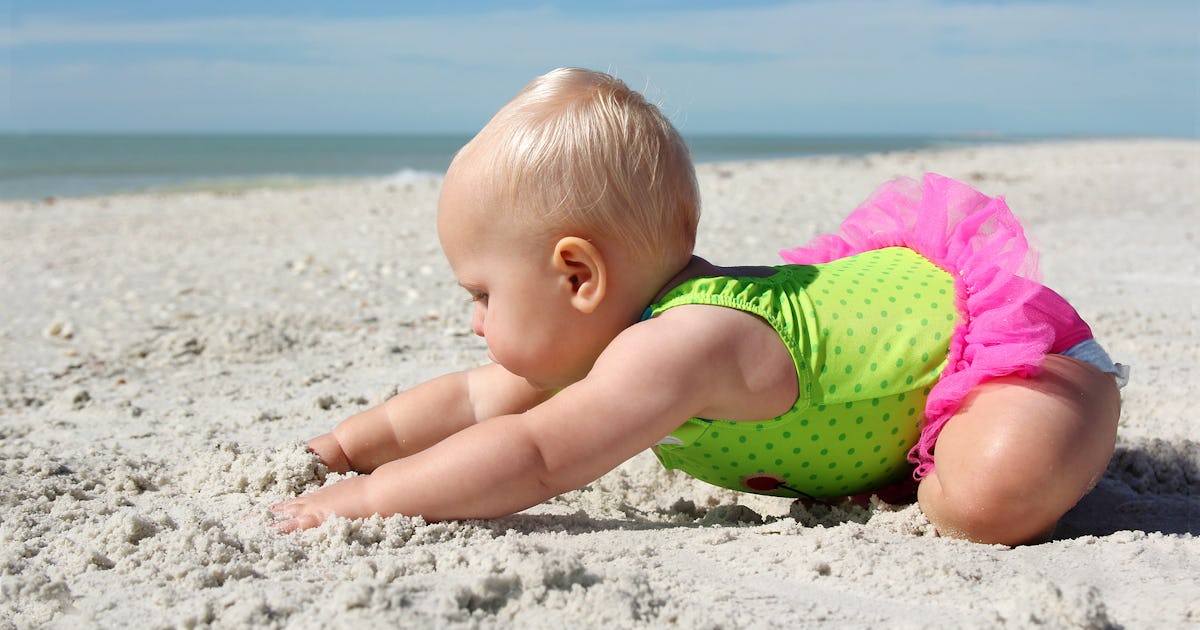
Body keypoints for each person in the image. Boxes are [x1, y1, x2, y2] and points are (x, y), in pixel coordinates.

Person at [270, 68, 1126, 545]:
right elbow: (469, 400)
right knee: (955, 492)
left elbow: (533, 459)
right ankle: (915, 460)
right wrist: (346, 448)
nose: (476, 324)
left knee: (980, 504)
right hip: (897, 372)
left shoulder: (677, 345)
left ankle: (1063, 419)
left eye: (486, 294)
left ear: (578, 277)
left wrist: (362, 504)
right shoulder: (599, 344)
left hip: (1008, 360)